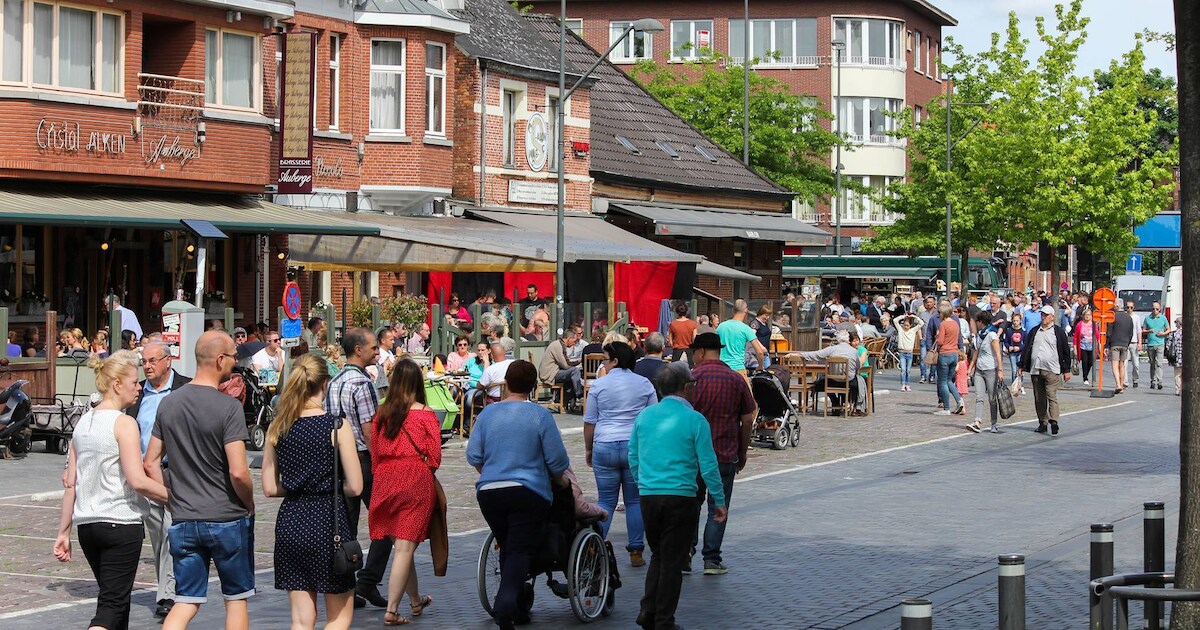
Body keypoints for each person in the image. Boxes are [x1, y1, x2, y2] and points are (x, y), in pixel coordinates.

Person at [144, 331, 255, 630]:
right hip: (226, 517)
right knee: (236, 599)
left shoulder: (169, 403)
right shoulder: (229, 407)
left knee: (185, 600)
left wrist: (171, 497)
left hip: (184, 518)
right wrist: (249, 503)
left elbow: (150, 462)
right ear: (220, 360)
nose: (235, 362)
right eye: (233, 356)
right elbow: (238, 471)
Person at [54, 350, 169, 630]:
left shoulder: (83, 423)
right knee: (112, 605)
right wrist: (177, 498)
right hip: (120, 522)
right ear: (117, 384)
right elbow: (137, 480)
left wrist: (63, 532)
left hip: (88, 528)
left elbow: (71, 483)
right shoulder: (124, 423)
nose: (139, 387)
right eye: (134, 382)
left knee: (116, 599)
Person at [261, 354, 363, 630]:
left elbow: (269, 488)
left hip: (292, 522)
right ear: (325, 384)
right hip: (329, 521)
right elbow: (355, 486)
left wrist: (297, 485)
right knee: (339, 617)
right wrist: (328, 485)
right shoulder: (336, 427)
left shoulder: (278, 427)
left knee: (301, 620)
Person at [467, 360, 570, 630]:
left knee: (508, 543)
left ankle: (516, 604)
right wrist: (559, 481)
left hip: (490, 491)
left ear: (506, 384)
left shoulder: (488, 415)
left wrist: (490, 471)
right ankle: (505, 605)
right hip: (528, 491)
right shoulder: (540, 416)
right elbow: (557, 461)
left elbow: (473, 455)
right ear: (533, 387)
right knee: (520, 550)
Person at [629, 362, 727, 630]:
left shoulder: (644, 416)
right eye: (694, 385)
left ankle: (648, 610)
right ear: (687, 387)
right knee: (672, 562)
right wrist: (718, 500)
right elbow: (708, 464)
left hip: (649, 496)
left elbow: (633, 456)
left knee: (659, 555)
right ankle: (664, 620)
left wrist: (643, 483)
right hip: (681, 497)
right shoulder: (695, 419)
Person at [323, 327, 391, 609]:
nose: (378, 352)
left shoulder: (335, 381)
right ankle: (368, 580)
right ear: (359, 350)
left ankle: (346, 587)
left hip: (337, 458)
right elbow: (369, 429)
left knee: (345, 525)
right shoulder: (362, 384)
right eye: (374, 347)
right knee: (385, 522)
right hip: (362, 459)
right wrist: (380, 463)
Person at [369, 359, 441, 626]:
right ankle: (391, 610)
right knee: (404, 548)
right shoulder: (424, 414)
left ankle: (414, 600)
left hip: (385, 480)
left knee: (401, 546)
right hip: (414, 478)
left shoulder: (382, 413)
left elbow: (374, 451)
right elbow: (434, 456)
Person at [127, 341, 191, 618]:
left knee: (174, 532)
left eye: (153, 360)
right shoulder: (137, 393)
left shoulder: (185, 389)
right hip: (144, 475)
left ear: (168, 361)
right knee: (158, 536)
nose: (148, 366)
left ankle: (174, 591)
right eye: (144, 362)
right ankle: (167, 591)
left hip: (175, 472)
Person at [583, 342, 657, 567]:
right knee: (634, 501)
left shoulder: (600, 385)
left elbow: (590, 421)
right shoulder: (644, 384)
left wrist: (588, 448)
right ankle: (636, 551)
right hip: (634, 446)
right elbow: (652, 417)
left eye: (605, 359)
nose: (603, 363)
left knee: (605, 500)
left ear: (615, 361)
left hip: (604, 444)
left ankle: (596, 547)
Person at [688, 332, 755, 574]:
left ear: (701, 352)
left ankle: (686, 552)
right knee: (719, 506)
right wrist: (742, 451)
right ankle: (711, 559)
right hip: (725, 454)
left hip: (693, 456)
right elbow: (748, 419)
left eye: (694, 352)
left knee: (690, 504)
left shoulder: (692, 379)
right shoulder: (735, 379)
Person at [1019, 305, 1072, 435]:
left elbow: (1065, 352)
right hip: (1035, 368)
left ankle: (1053, 421)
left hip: (1052, 369)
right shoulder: (1034, 331)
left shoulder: (1058, 332)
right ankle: (1042, 422)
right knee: (1039, 398)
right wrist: (1021, 365)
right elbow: (1027, 348)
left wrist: (1066, 370)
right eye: (1042, 314)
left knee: (1051, 395)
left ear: (1052, 317)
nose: (1044, 317)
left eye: (1046, 315)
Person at [966, 312, 1004, 434]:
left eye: (977, 321)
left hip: (991, 369)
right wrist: (971, 367)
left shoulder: (992, 335)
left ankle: (994, 423)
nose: (975, 324)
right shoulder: (979, 335)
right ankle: (977, 422)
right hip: (979, 370)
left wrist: (1000, 370)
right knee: (979, 397)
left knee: (992, 398)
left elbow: (998, 353)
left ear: (981, 322)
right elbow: (976, 352)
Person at [716, 299, 765, 376]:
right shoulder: (746, 329)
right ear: (746, 311)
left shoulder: (721, 326)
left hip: (721, 368)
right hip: (738, 369)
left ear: (733, 310)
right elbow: (760, 352)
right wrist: (760, 366)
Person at [538, 325, 584, 402]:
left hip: (553, 372)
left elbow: (565, 362)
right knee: (574, 371)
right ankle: (580, 395)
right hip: (549, 375)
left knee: (572, 376)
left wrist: (576, 362)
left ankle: (564, 402)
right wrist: (578, 362)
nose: (574, 344)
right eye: (574, 341)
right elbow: (565, 365)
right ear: (569, 339)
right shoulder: (557, 346)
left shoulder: (560, 344)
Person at [934, 304, 965, 416]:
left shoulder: (943, 324)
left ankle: (946, 407)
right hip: (954, 354)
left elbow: (941, 341)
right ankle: (959, 401)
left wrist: (937, 337)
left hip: (945, 354)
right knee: (949, 381)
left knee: (942, 381)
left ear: (943, 313)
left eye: (939, 313)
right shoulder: (956, 323)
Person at [1107, 301, 1135, 394]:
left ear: (1117, 306)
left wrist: (1107, 345)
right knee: (1122, 365)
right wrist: (1127, 343)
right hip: (1125, 344)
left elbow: (1109, 333)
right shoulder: (1129, 317)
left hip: (1115, 343)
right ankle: (1122, 386)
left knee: (1115, 365)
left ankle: (1118, 385)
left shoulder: (1113, 316)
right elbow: (1131, 333)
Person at [1143, 302, 1169, 390]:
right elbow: (1143, 330)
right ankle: (1153, 381)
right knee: (1152, 363)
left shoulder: (1163, 318)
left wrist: (1163, 333)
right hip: (1151, 344)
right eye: (1153, 309)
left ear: (1159, 310)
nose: (1155, 311)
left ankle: (1159, 381)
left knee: (1159, 363)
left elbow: (1168, 329)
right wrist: (1148, 331)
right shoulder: (1147, 318)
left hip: (1160, 343)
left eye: (1157, 309)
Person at [895, 313, 922, 392]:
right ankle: (903, 384)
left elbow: (921, 323)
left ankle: (908, 384)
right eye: (904, 325)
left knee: (908, 370)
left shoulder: (913, 330)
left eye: (907, 325)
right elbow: (895, 320)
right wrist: (903, 316)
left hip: (910, 352)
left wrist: (914, 317)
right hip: (902, 352)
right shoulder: (900, 330)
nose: (905, 327)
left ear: (910, 325)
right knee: (903, 370)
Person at [1073, 308, 1098, 386]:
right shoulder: (1079, 324)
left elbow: (1097, 336)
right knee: (1085, 362)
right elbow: (1075, 337)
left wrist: (1100, 346)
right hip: (1082, 346)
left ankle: (1086, 374)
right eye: (1086, 315)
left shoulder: (1094, 324)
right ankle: (1085, 377)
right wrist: (1075, 348)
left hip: (1092, 346)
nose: (1087, 316)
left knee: (1091, 362)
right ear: (1083, 316)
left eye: (1089, 315)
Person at [1004, 312, 1027, 395]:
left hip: (1020, 352)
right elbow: (1006, 341)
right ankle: (1014, 386)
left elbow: (1026, 343)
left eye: (1017, 320)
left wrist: (1020, 348)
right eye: (1014, 320)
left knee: (1020, 370)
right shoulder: (1009, 331)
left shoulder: (1023, 331)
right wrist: (1008, 347)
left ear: (1020, 321)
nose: (1015, 322)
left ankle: (1021, 385)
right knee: (1014, 370)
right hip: (1012, 353)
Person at [916, 296, 937, 384]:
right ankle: (923, 376)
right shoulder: (922, 314)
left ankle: (932, 376)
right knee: (923, 358)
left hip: (934, 340)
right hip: (924, 339)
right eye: (927, 302)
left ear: (934, 303)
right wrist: (920, 338)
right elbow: (919, 327)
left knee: (933, 358)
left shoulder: (937, 314)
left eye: (930, 302)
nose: (929, 304)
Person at [1169, 317, 1183, 396]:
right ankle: (1183, 389)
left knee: (1177, 374)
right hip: (1185, 358)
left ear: (1178, 324)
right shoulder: (1187, 333)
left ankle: (1178, 389)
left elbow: (1168, 345)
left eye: (1176, 323)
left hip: (1177, 357)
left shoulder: (1174, 333)